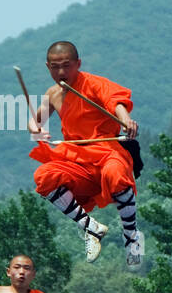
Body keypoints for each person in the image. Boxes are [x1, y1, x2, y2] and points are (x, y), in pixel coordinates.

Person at [28, 41, 143, 266]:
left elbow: (116, 102)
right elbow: (36, 121)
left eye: (66, 65)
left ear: (78, 64)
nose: (61, 72)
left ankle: (132, 237)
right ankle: (90, 228)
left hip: (107, 152)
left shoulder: (94, 84)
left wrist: (126, 120)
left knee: (115, 172)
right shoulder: (52, 94)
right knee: (44, 176)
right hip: (76, 158)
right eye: (54, 67)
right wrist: (36, 128)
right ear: (47, 67)